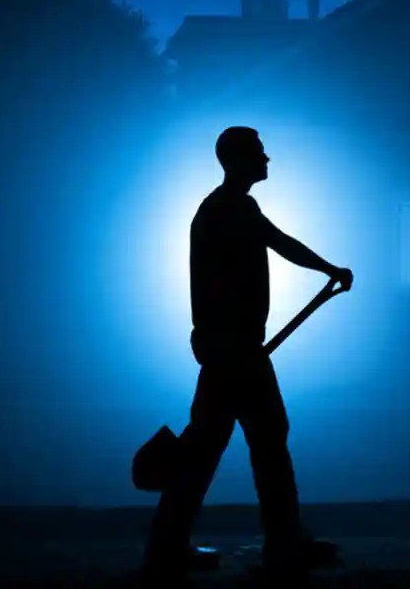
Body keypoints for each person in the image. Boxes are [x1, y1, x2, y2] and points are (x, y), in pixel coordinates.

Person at [143, 126, 353, 586]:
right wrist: (329, 270)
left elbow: (277, 244)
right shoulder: (224, 211)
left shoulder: (232, 208)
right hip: (234, 351)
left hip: (230, 350)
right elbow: (268, 253)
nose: (267, 160)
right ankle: (279, 545)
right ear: (237, 160)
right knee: (261, 443)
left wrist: (327, 270)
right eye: (259, 153)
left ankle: (170, 545)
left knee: (215, 445)